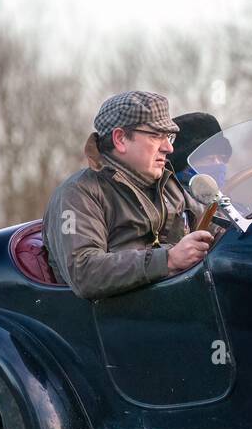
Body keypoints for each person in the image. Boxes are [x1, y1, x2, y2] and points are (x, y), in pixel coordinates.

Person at [43, 91, 214, 299]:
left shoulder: (170, 185)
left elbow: (214, 231)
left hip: (178, 308)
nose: (168, 148)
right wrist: (168, 260)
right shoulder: (78, 193)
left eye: (168, 137)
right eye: (155, 135)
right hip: (119, 323)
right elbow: (84, 272)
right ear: (120, 139)